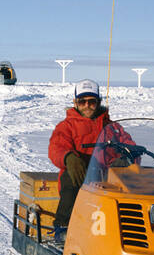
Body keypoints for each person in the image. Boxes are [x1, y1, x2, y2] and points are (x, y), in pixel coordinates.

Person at [47, 81, 133, 241]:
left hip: (109, 179)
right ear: (75, 103)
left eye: (92, 102)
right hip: (82, 177)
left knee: (137, 180)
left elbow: (128, 143)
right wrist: (69, 157)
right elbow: (56, 148)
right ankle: (63, 226)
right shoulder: (66, 126)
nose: (87, 106)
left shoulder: (112, 127)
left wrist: (128, 156)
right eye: (82, 101)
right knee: (70, 177)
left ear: (98, 102)